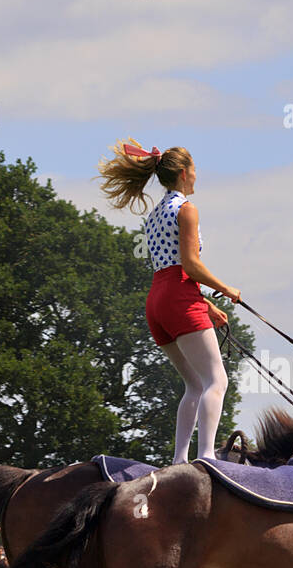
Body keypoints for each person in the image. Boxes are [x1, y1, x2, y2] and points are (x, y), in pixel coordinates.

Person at [97, 138, 240, 464]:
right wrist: (227, 289)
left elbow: (172, 270)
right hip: (178, 298)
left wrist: (206, 304)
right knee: (216, 380)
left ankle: (178, 459)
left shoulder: (155, 214)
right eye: (195, 170)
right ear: (185, 173)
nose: (196, 177)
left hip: (157, 302)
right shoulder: (187, 210)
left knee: (193, 383)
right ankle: (206, 457)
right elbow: (189, 266)